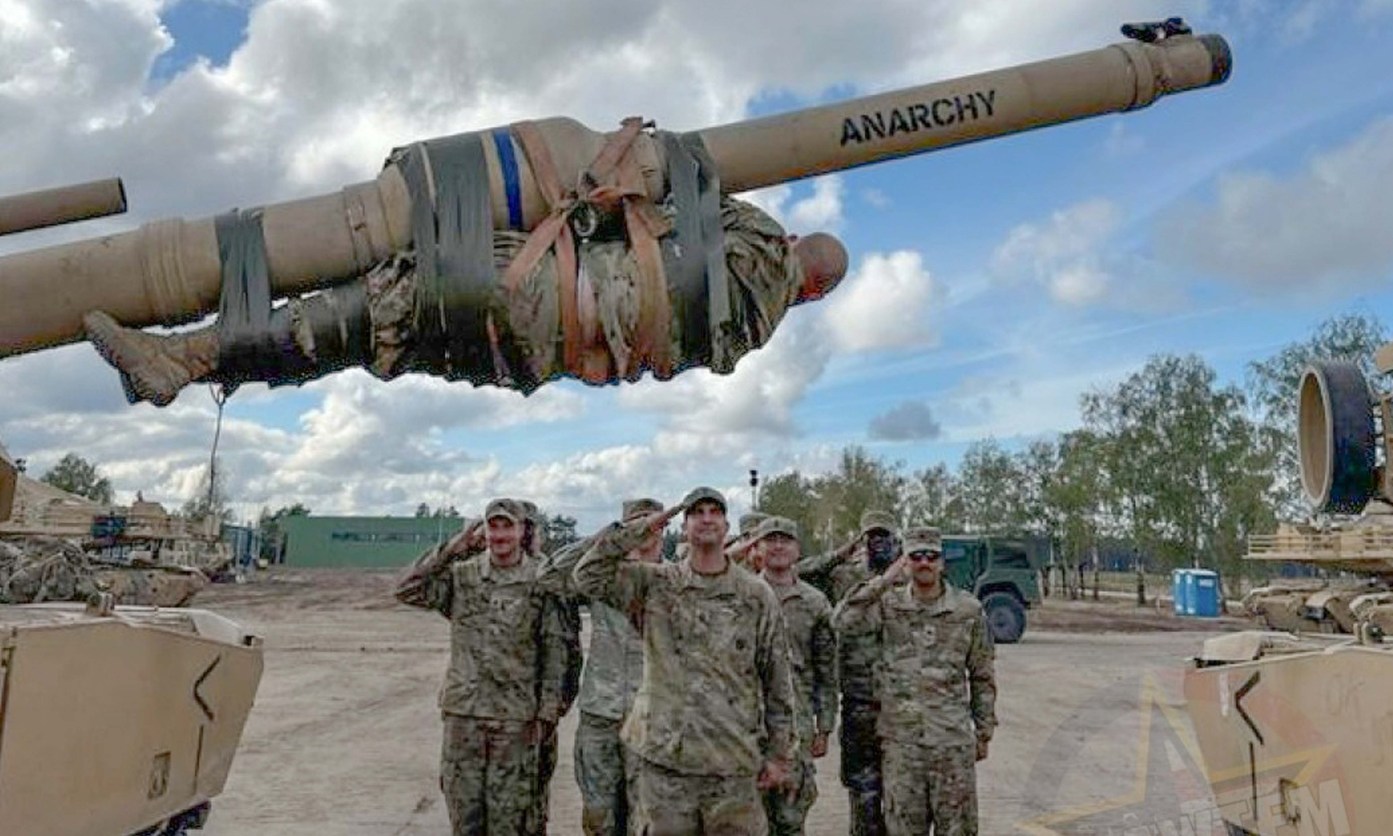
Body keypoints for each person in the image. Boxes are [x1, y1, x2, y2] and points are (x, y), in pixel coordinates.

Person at [84, 198, 848, 407]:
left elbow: (660, 197)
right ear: (811, 296)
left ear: (795, 251)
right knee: (379, 342)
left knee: (385, 299)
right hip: (544, 360)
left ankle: (187, 358)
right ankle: (201, 369)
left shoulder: (753, 232)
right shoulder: (750, 335)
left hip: (541, 294)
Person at [573, 487, 799, 836]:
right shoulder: (656, 584)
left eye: (715, 511)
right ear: (683, 526)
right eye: (697, 512)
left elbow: (777, 680)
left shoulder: (755, 595)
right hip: (666, 766)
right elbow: (588, 575)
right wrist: (642, 527)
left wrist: (780, 755)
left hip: (733, 765)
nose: (707, 518)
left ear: (726, 525)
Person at [394, 498, 570, 835]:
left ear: (522, 531)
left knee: (510, 819)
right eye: (493, 526)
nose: (500, 534)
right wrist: (452, 549)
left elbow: (554, 650)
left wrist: (547, 715)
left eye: (508, 526)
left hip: (515, 720)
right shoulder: (464, 576)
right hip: (464, 717)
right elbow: (406, 589)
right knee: (465, 817)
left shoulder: (540, 579)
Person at [833, 527, 996, 836]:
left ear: (942, 562)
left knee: (958, 829)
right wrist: (884, 580)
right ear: (905, 561)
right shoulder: (887, 605)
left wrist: (984, 731)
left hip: (951, 745)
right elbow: (842, 620)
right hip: (901, 746)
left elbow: (982, 674)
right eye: (916, 556)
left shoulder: (967, 610)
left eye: (931, 556)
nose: (924, 563)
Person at [798, 509, 902, 836]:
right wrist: (839, 553)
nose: (877, 543)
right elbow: (797, 575)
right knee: (864, 791)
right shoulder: (845, 576)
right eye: (870, 536)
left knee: (905, 791)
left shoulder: (912, 575)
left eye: (883, 535)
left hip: (902, 704)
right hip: (860, 699)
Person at [751, 516, 837, 836]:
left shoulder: (815, 603)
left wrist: (824, 726)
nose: (777, 546)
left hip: (795, 724)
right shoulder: (743, 595)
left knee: (790, 815)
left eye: (785, 540)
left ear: (797, 549)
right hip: (747, 721)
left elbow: (827, 670)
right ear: (757, 548)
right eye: (770, 540)